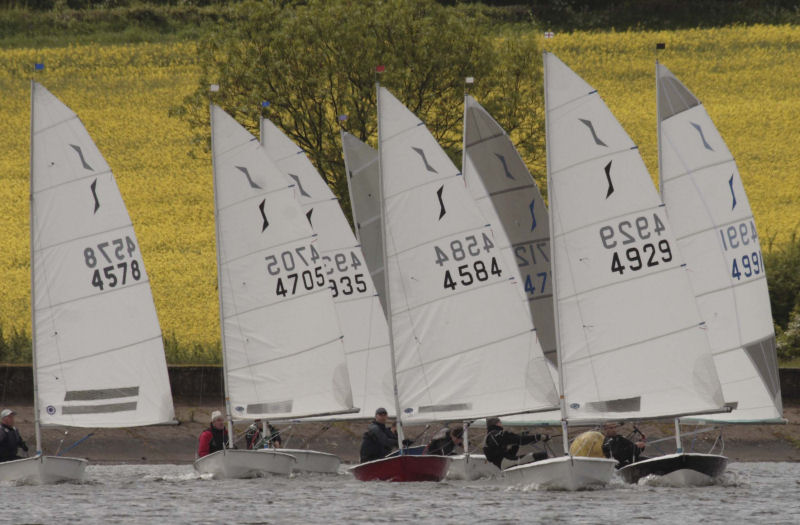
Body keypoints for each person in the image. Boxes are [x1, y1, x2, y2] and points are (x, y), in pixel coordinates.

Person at [482, 417, 548, 469]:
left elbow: (508, 451)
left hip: (503, 463)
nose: (502, 424)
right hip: (506, 461)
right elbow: (519, 440)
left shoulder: (489, 437)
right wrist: (539, 437)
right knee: (543, 455)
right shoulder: (497, 434)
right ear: (497, 423)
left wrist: (516, 443)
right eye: (500, 422)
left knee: (530, 456)